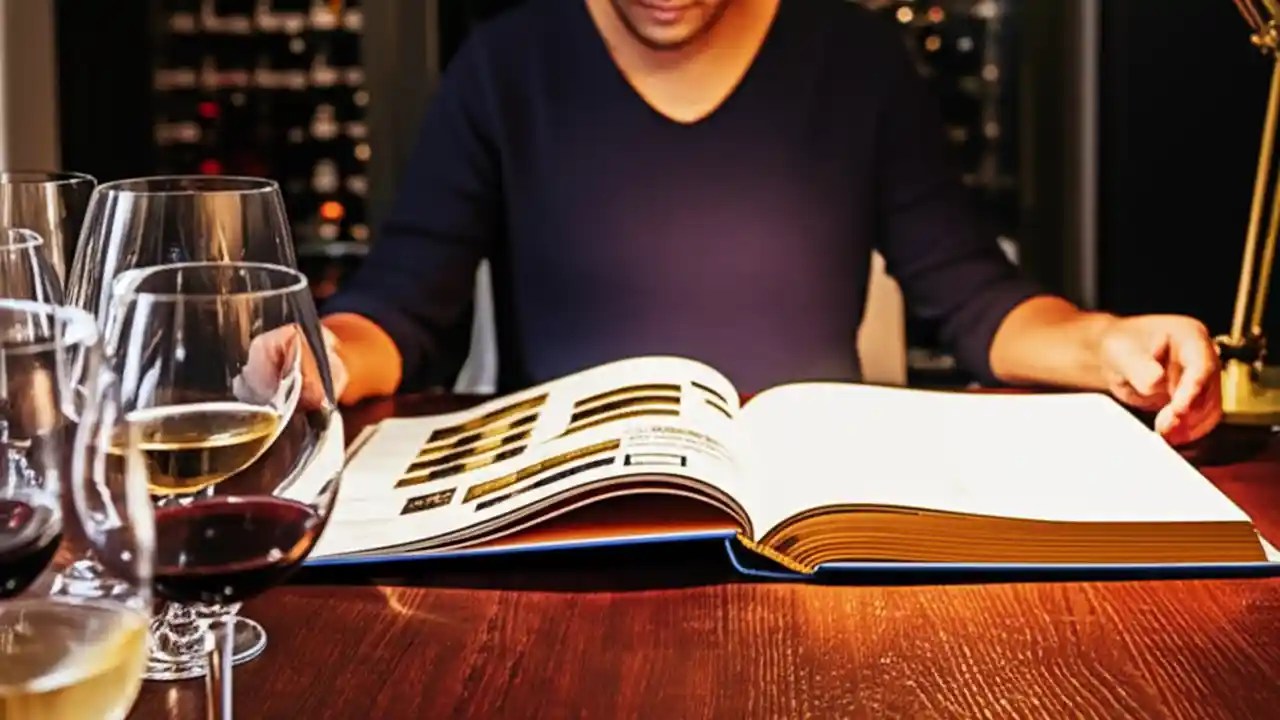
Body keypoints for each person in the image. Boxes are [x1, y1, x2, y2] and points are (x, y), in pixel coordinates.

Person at [312, 0, 1222, 446]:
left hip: (808, 517)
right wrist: (323, 359)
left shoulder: (855, 55)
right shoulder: (506, 62)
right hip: (568, 511)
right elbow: (402, 308)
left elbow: (975, 298)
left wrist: (1108, 347)